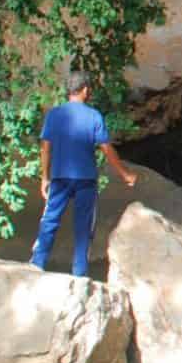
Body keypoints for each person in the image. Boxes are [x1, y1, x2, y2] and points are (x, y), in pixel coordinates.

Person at [32, 71, 137, 277]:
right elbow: (106, 149)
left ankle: (36, 266)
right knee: (83, 228)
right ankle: (79, 275)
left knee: (50, 220)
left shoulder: (54, 114)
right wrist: (124, 174)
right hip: (86, 180)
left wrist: (45, 177)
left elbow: (45, 148)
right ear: (85, 90)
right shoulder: (93, 116)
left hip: (60, 177)